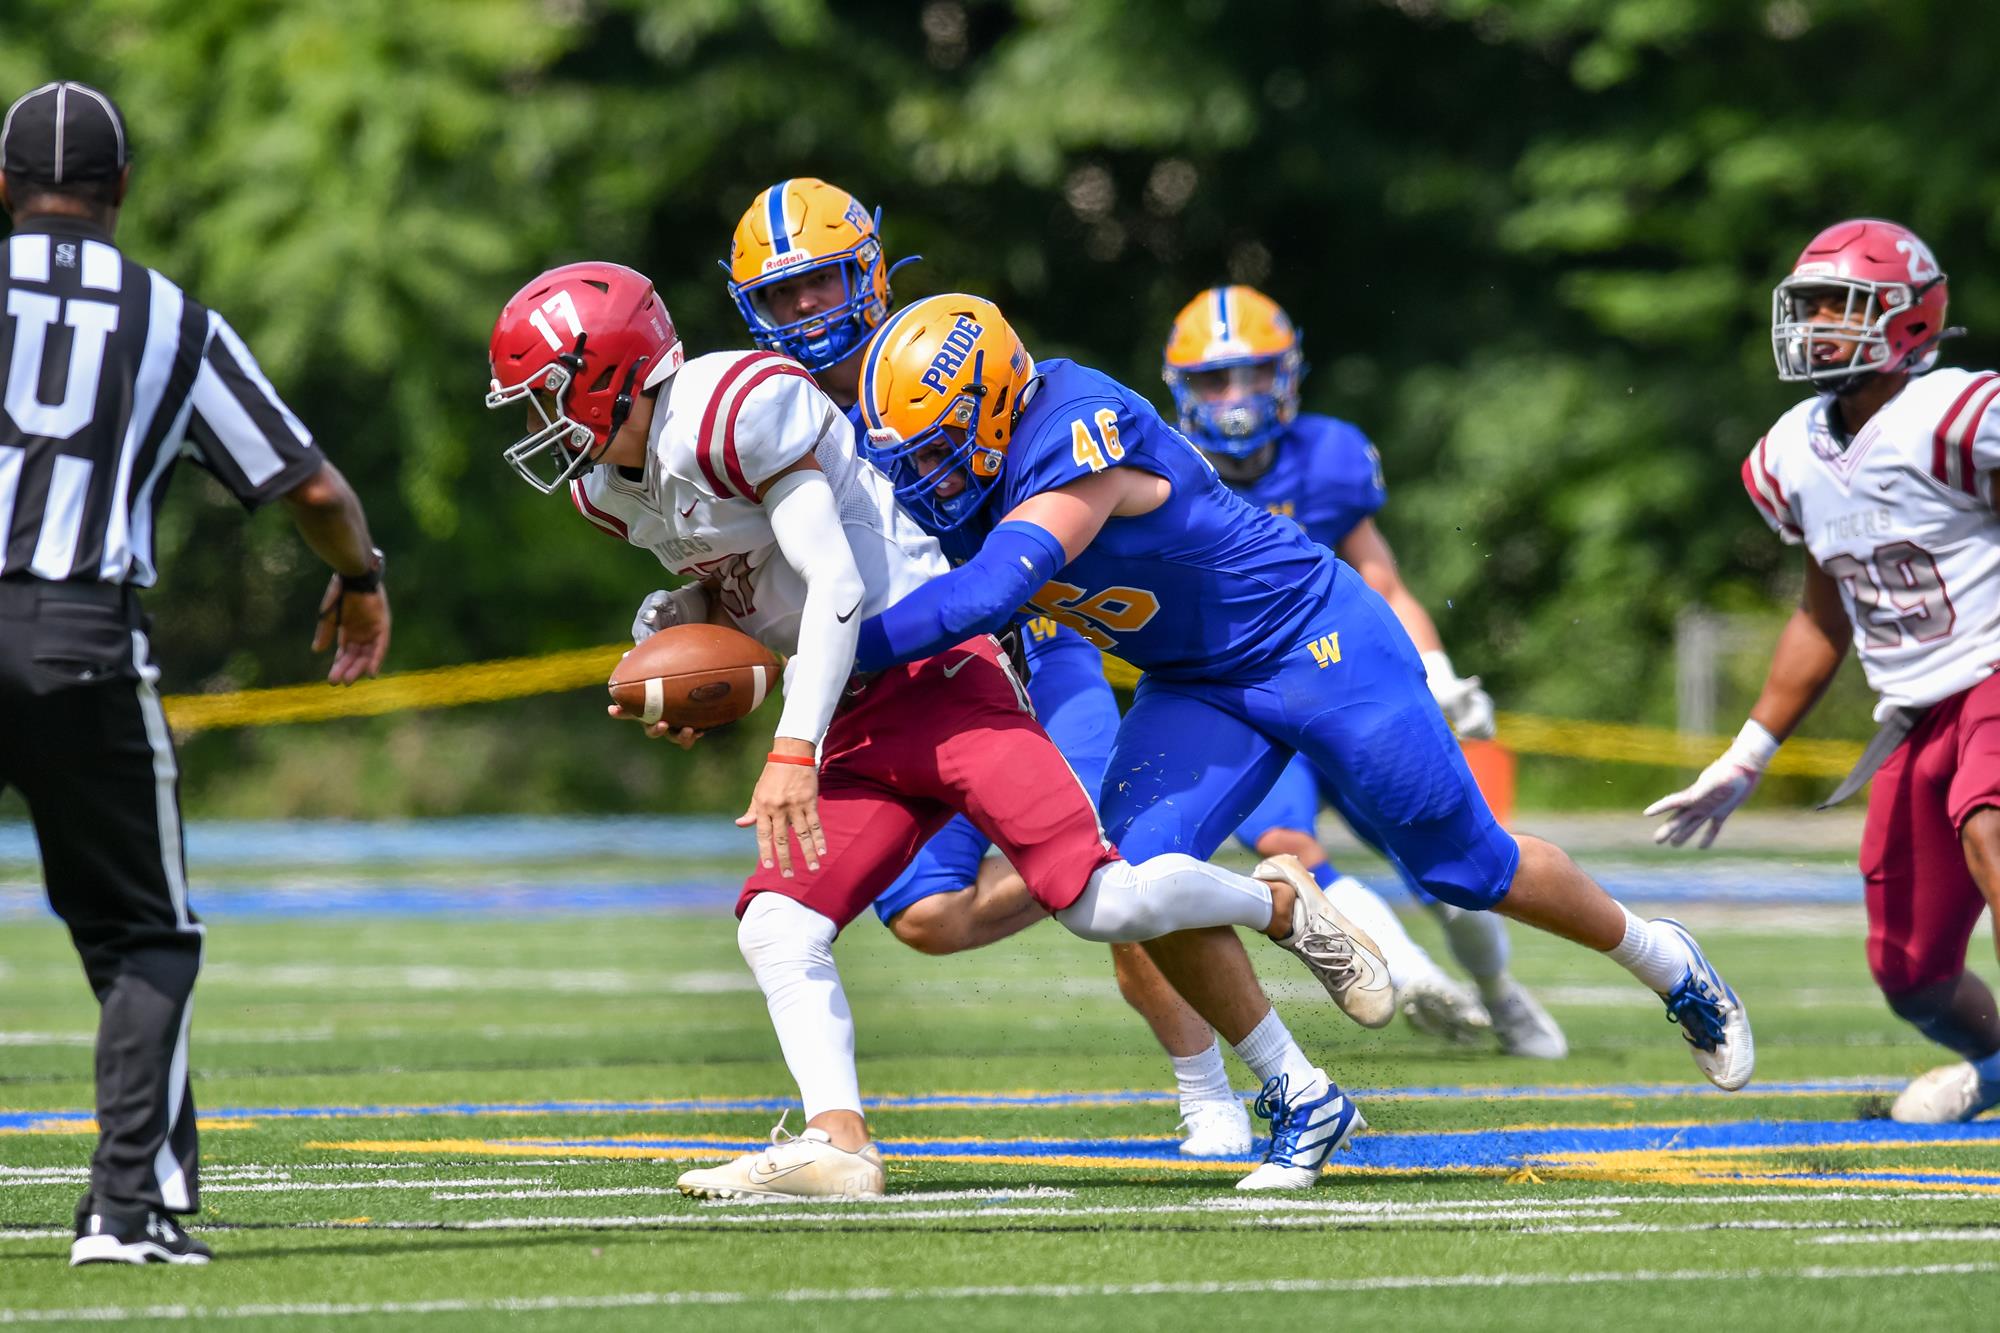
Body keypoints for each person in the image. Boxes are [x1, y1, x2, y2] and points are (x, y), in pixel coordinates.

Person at [486, 260, 1391, 1200]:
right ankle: (841, 1143)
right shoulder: (609, 488)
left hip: (944, 678)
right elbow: (742, 576)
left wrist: (790, 747)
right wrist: (686, 628)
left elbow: (835, 584)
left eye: (544, 391)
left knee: (1099, 903)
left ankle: (1279, 920)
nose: (535, 418)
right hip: (854, 704)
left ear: (610, 370)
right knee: (777, 919)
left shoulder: (737, 408)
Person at [851, 292, 1758, 1184]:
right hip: (1197, 683)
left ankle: (1665, 958)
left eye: (938, 442)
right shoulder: (964, 472)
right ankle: (1299, 1091)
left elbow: (982, 595)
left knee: (1467, 868)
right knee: (1129, 883)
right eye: (912, 452)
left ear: (1000, 395)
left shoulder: (1075, 424)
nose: (926, 471)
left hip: (1311, 638)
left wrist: (827, 656)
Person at [716, 180, 1367, 1164]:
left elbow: (1015, 544)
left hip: (1020, 645)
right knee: (931, 918)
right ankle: (1193, 889)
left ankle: (1212, 1087)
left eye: (821, 282)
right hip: (905, 687)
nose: (806, 311)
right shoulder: (768, 414)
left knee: (1109, 876)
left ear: (871, 269)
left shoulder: (945, 351)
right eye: (781, 296)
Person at [0, 81, 391, 1266]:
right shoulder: (166, 315)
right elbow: (309, 486)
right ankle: (127, 1213)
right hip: (81, 635)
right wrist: (362, 578)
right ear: (122, 190)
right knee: (145, 938)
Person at [1648, 218, 2000, 1124]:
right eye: (1808, 306)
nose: (1817, 325)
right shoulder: (1790, 455)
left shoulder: (1956, 415)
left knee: (1991, 821)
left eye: (1840, 305)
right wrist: (1746, 754)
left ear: (1909, 319)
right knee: (1912, 975)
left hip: (1995, 678)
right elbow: (1822, 611)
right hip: (1916, 715)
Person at [1159, 283, 1568, 1063]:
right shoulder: (1163, 472)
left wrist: (1439, 672)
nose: (1235, 397)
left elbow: (1379, 577)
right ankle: (1412, 979)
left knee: (1449, 859)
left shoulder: (1331, 456)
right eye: (1215, 379)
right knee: (1288, 843)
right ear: (1183, 389)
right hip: (1243, 703)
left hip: (1343, 689)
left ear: (1288, 372)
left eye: (1251, 373)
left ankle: (1501, 994)